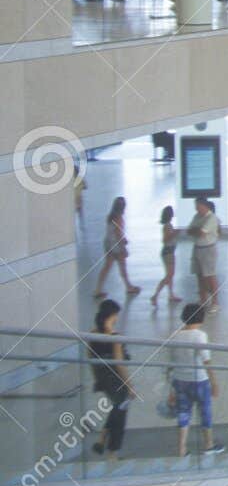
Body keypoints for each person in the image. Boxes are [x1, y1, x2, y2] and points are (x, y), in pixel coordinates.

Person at [168, 302, 222, 457]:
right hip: (199, 380)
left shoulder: (175, 335)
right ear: (201, 318)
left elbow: (171, 363)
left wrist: (171, 389)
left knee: (183, 413)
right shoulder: (200, 336)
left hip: (179, 380)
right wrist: (214, 382)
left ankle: (181, 449)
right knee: (205, 412)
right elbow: (206, 360)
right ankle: (208, 445)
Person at [88, 298, 134, 462]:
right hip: (117, 380)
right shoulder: (115, 337)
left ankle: (102, 439)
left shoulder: (92, 334)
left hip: (103, 378)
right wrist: (130, 386)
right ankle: (112, 453)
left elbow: (90, 359)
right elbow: (119, 364)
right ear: (112, 315)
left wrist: (97, 380)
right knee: (120, 414)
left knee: (116, 409)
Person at [92, 196, 141, 300]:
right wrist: (124, 245)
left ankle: (98, 289)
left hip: (108, 244)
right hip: (117, 245)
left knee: (107, 267)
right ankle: (128, 287)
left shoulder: (110, 217)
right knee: (122, 267)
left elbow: (112, 232)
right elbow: (119, 234)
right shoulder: (119, 218)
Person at [187, 197, 221, 313]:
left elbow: (201, 233)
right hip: (197, 248)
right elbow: (189, 230)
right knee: (199, 275)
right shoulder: (197, 217)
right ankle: (203, 299)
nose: (196, 209)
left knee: (209, 276)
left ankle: (215, 302)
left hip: (208, 249)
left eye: (198, 206)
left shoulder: (212, 218)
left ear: (204, 206)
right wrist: (197, 230)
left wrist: (196, 230)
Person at [150, 205, 182, 304]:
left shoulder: (167, 225)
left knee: (169, 275)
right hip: (168, 252)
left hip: (168, 251)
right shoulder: (168, 226)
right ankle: (155, 295)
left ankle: (171, 294)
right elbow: (165, 239)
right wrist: (174, 233)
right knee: (169, 275)